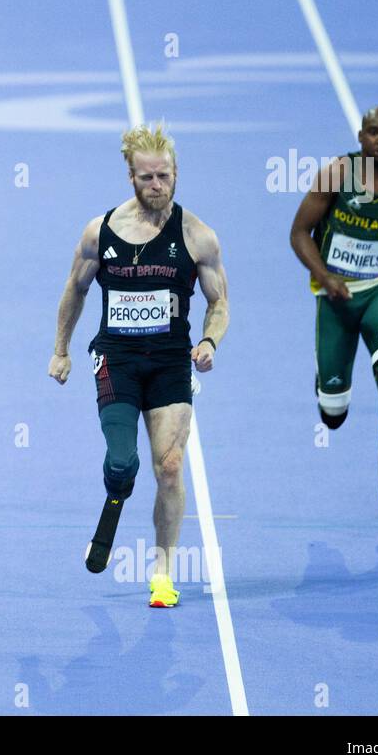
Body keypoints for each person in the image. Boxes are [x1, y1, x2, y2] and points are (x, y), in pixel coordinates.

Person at [50, 123, 230, 608]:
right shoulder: (101, 231)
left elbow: (220, 302)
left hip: (172, 361)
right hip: (117, 359)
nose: (157, 186)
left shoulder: (198, 237)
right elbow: (76, 289)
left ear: (176, 176)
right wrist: (61, 348)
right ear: (130, 177)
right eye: (147, 178)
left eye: (165, 177)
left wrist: (210, 340)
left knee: (170, 467)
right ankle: (116, 492)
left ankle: (163, 570)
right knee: (123, 463)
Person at [289, 105, 378, 518]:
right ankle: (327, 383)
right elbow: (299, 232)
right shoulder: (337, 175)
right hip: (335, 298)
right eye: (374, 132)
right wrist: (325, 276)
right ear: (360, 136)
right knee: (333, 416)